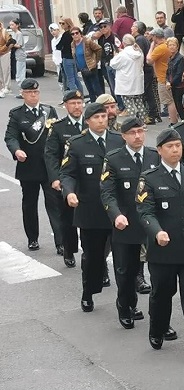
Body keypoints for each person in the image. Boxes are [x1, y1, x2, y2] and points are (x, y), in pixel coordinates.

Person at [130, 127, 184, 356]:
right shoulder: (150, 178)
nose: (175, 150)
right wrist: (157, 232)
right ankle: (158, 328)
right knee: (162, 293)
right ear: (160, 150)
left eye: (178, 146)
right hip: (163, 249)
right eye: (170, 147)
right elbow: (145, 212)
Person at [60, 101, 125, 312]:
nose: (101, 120)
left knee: (125, 259)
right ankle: (88, 292)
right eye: (96, 117)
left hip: (118, 211)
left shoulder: (118, 140)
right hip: (91, 210)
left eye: (104, 116)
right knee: (93, 257)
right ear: (87, 121)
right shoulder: (77, 144)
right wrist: (69, 192)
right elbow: (67, 173)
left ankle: (126, 303)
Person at [99, 115, 158, 329]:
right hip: (127, 222)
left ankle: (159, 319)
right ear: (123, 136)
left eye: (141, 131)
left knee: (159, 273)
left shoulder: (154, 155)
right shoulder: (113, 159)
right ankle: (126, 306)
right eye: (132, 133)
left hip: (152, 223)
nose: (138, 136)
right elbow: (107, 193)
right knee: (126, 271)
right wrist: (116, 215)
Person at [4, 78, 64, 253]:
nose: (33, 95)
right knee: (29, 204)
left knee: (55, 204)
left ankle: (60, 242)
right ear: (23, 94)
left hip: (49, 167)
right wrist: (16, 151)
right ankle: (32, 238)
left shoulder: (48, 111)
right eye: (30, 92)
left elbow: (57, 135)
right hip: (28, 166)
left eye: (36, 92)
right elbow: (11, 137)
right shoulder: (17, 114)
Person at [44, 89, 85, 268]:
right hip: (68, 179)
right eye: (73, 103)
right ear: (65, 106)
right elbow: (51, 155)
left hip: (88, 180)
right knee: (68, 218)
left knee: (91, 218)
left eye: (79, 102)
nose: (77, 107)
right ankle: (69, 249)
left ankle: (92, 254)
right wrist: (55, 178)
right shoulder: (58, 127)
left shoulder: (90, 124)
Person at [110, 34, 146, 123]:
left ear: (124, 43)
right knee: (139, 103)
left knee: (129, 104)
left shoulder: (123, 54)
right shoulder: (139, 53)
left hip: (126, 82)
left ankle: (134, 122)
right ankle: (142, 122)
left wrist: (115, 55)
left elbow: (113, 64)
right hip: (137, 81)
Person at [72, 26, 103, 101]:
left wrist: (95, 61)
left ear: (80, 33)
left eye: (77, 33)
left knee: (96, 87)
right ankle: (93, 104)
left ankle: (102, 103)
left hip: (91, 67)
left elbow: (98, 49)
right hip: (82, 69)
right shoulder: (73, 44)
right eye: (73, 34)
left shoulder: (87, 41)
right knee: (89, 88)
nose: (75, 35)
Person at [146, 28, 171, 120]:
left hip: (162, 76)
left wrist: (151, 47)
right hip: (166, 74)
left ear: (156, 37)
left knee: (168, 100)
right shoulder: (166, 45)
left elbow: (149, 60)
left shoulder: (160, 48)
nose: (152, 39)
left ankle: (172, 118)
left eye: (152, 37)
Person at [164, 37, 184, 122]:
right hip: (172, 85)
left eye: (173, 45)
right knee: (177, 106)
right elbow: (167, 72)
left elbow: (179, 73)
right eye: (170, 45)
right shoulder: (170, 58)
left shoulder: (180, 58)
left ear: (177, 46)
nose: (172, 47)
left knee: (181, 106)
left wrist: (171, 83)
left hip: (179, 86)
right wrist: (166, 81)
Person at [7, 19, 27, 95]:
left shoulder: (19, 34)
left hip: (20, 55)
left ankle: (23, 91)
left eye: (12, 25)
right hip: (16, 55)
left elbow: (19, 45)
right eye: (10, 25)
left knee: (21, 74)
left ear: (17, 25)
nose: (11, 26)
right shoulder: (13, 34)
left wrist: (11, 44)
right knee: (18, 73)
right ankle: (21, 91)